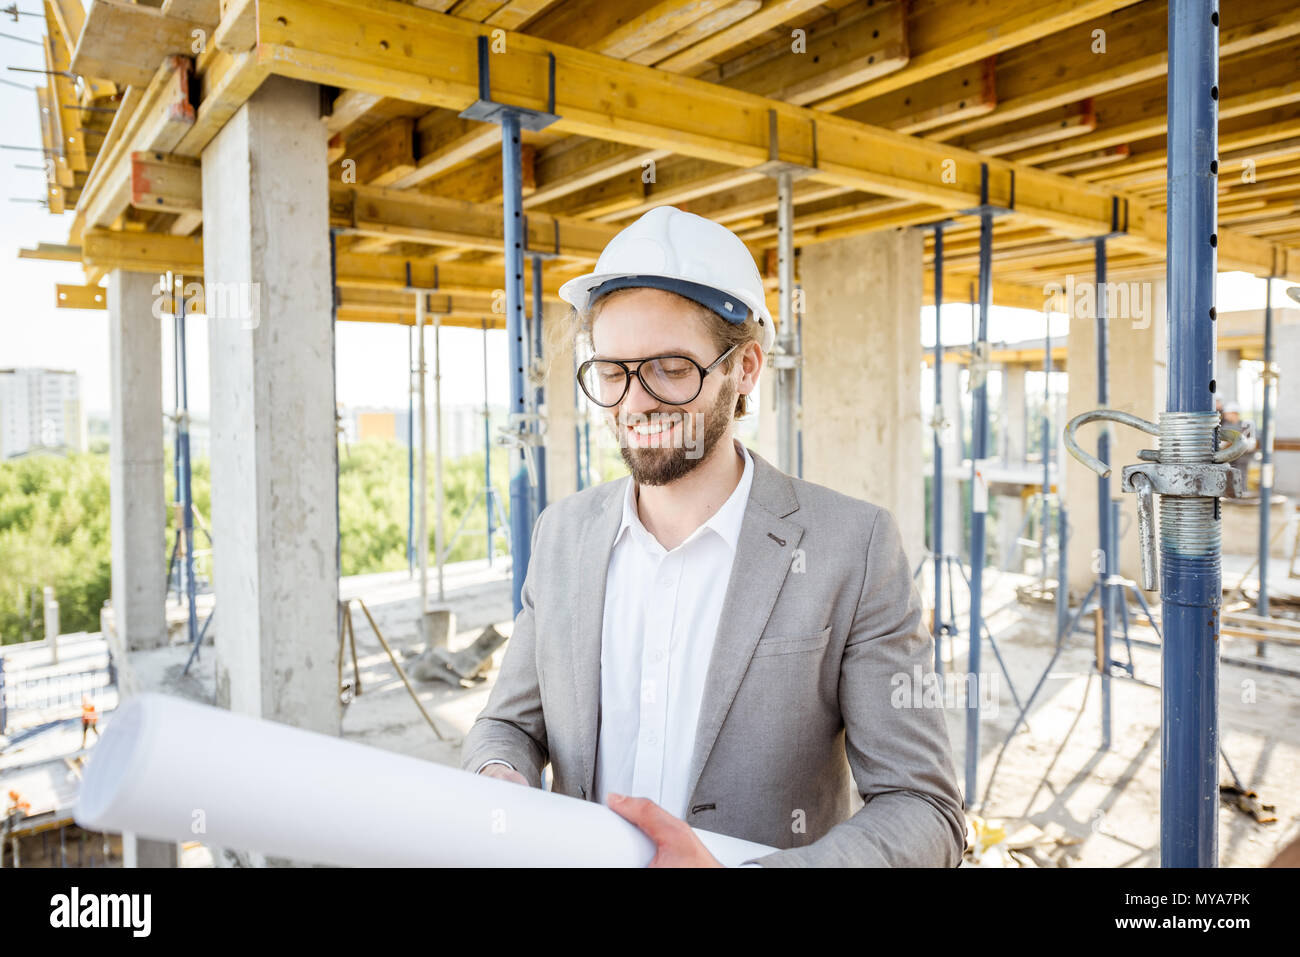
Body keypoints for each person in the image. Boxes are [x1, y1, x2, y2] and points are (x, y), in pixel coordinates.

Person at [461, 205, 965, 867]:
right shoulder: (561, 537)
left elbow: (923, 809)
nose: (634, 403)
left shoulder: (853, 547)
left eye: (671, 367)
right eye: (612, 372)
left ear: (746, 368)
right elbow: (509, 724)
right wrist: (499, 775)